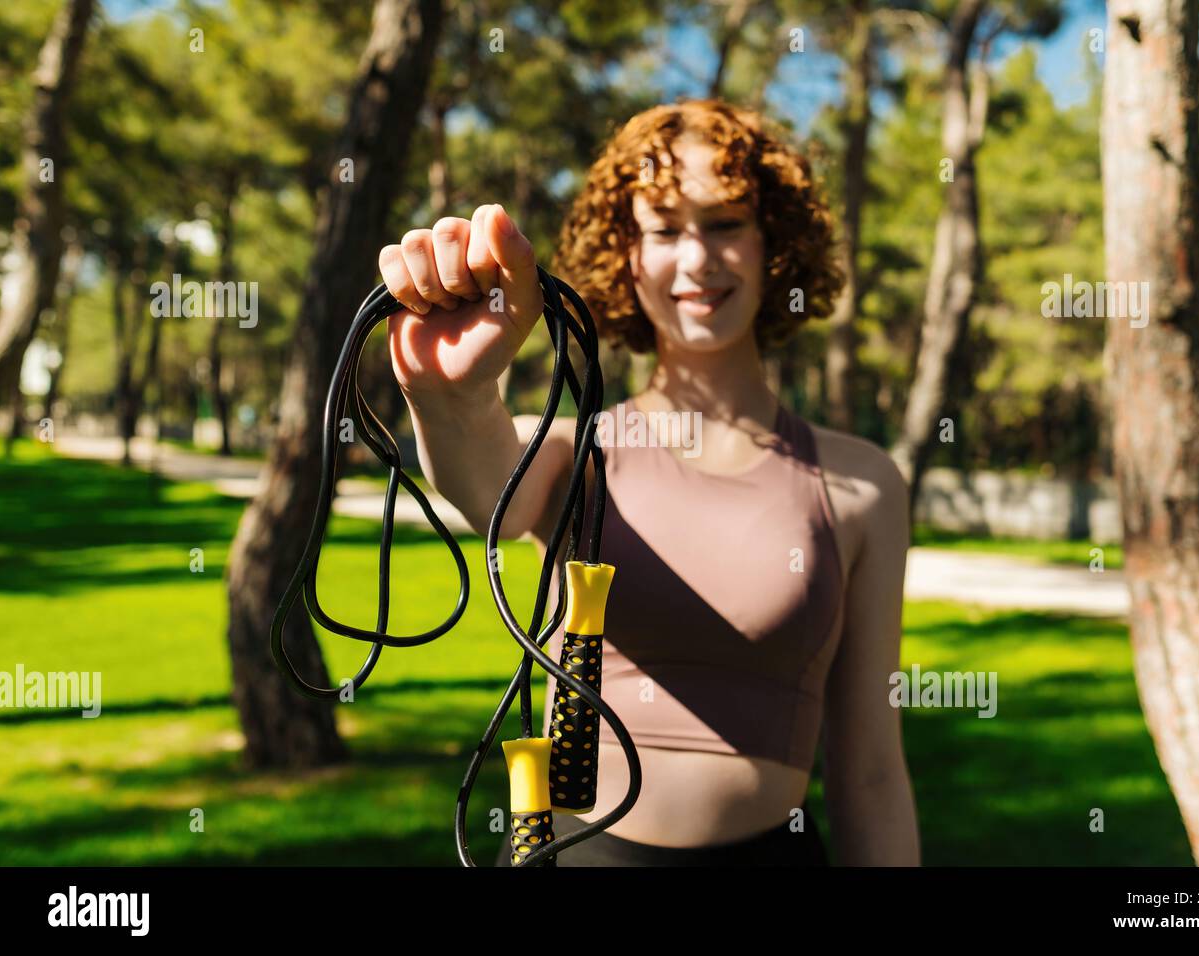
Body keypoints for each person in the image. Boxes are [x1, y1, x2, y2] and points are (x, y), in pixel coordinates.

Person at [379, 99, 919, 867]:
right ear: (627, 256)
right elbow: (484, 487)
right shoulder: (575, 455)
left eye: (726, 222)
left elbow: (869, 768)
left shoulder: (861, 483)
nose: (697, 259)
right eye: (664, 229)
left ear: (774, 244)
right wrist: (450, 395)